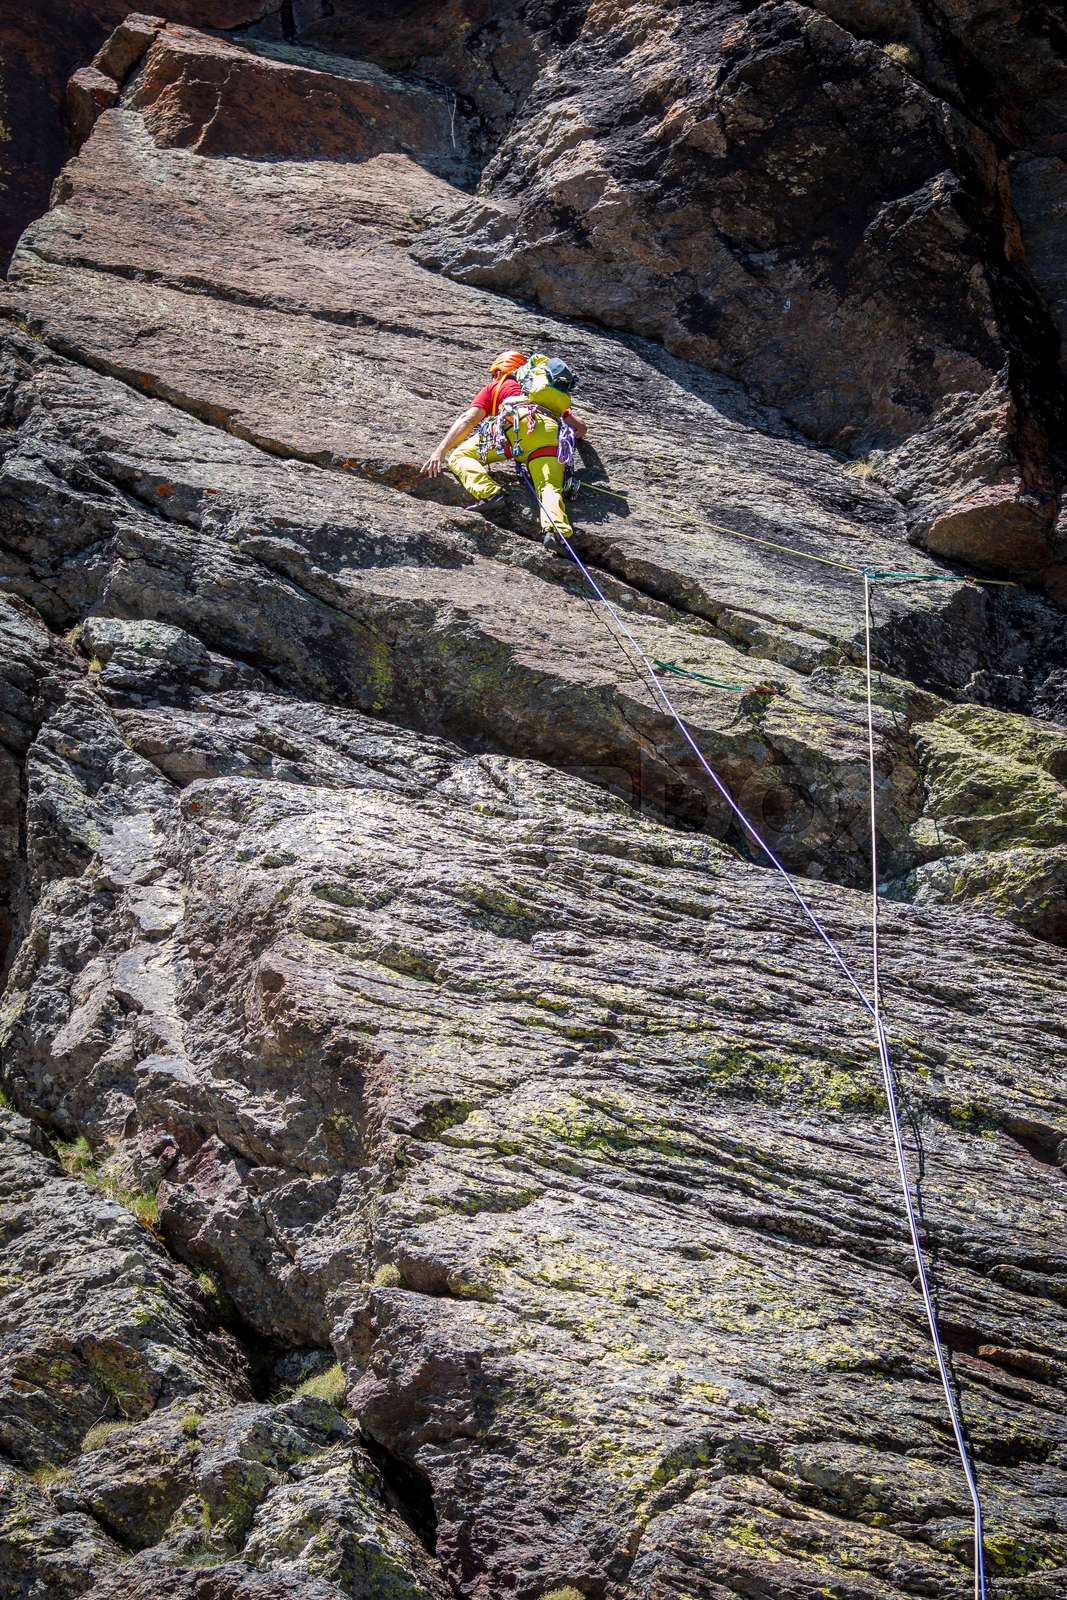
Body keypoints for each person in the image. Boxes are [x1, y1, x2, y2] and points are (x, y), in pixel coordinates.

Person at [421, 349, 587, 549]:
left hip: (517, 424)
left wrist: (440, 451)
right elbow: (581, 428)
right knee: (549, 487)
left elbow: (469, 419)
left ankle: (491, 493)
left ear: (500, 370)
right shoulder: (539, 392)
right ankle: (556, 534)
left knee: (460, 456)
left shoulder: (497, 385)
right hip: (550, 432)